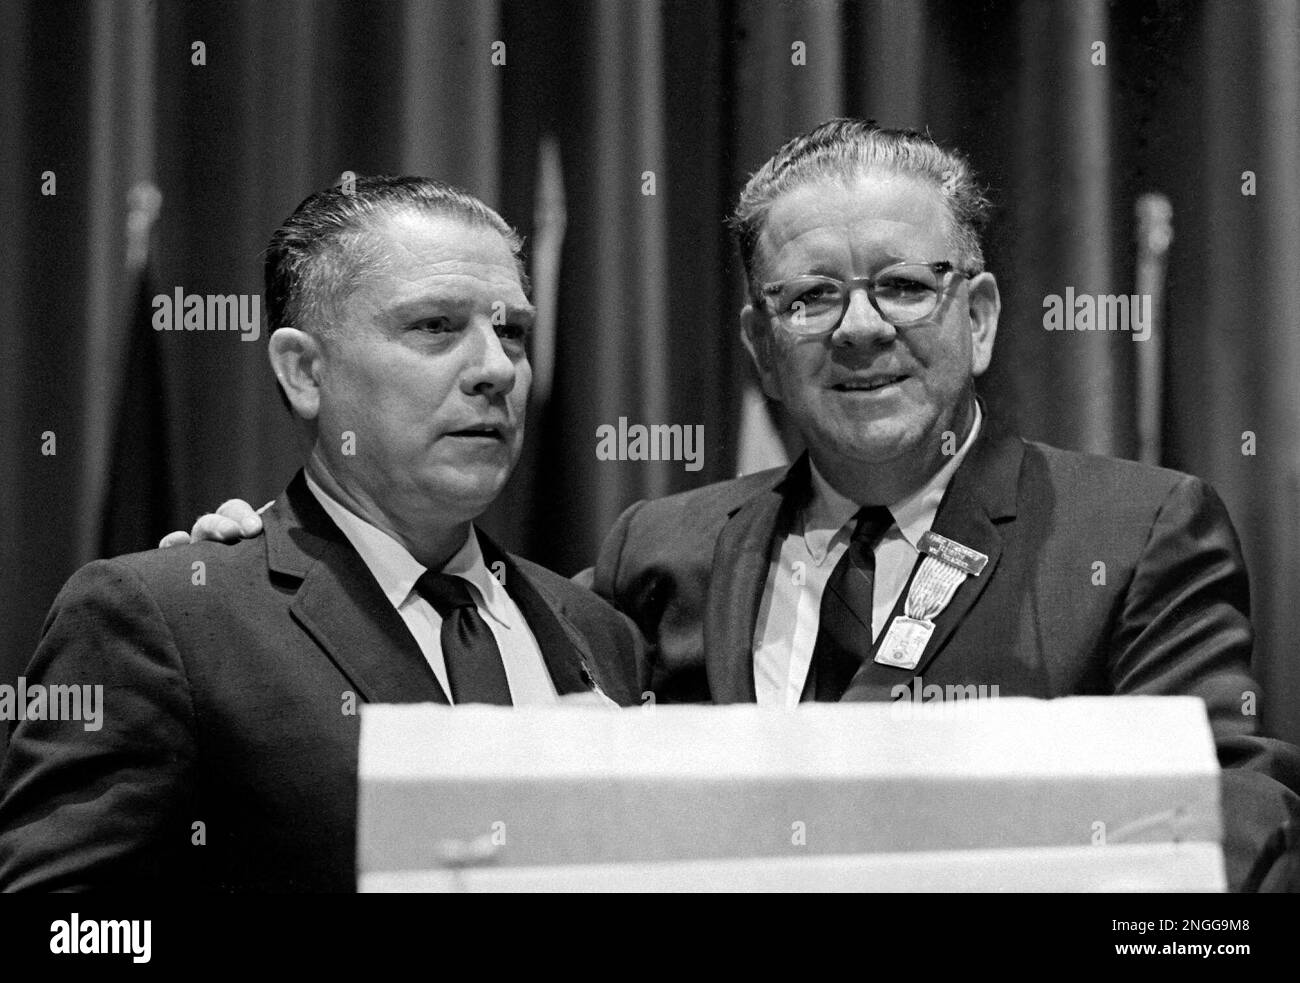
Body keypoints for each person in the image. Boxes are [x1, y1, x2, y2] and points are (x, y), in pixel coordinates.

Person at [167, 122, 1300, 892]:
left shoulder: (1136, 528)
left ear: (983, 314)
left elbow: (1234, 828)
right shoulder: (658, 555)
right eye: (810, 297)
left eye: (902, 284)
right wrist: (266, 560)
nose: (860, 327)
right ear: (761, 342)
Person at [0, 177, 644, 892]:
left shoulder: (596, 630)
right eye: (434, 325)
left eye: (512, 330)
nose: (496, 368)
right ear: (305, 371)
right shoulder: (170, 620)